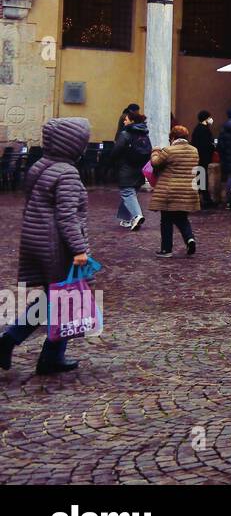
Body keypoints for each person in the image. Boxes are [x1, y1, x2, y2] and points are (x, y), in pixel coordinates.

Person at [1, 117, 93, 376]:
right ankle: (49, 357)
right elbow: (67, 216)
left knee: (52, 298)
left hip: (36, 239)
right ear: (73, 143)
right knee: (64, 299)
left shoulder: (39, 166)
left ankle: (9, 340)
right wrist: (79, 249)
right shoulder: (67, 173)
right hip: (56, 245)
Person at [149, 125, 201, 258]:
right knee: (182, 218)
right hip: (187, 190)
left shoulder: (169, 150)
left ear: (173, 137)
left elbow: (155, 163)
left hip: (170, 190)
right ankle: (190, 239)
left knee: (166, 219)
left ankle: (166, 249)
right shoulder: (194, 151)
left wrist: (155, 151)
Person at [110, 110, 150, 231]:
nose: (124, 121)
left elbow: (116, 151)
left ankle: (137, 215)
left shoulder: (125, 134)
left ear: (132, 121)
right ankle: (126, 220)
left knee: (127, 192)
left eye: (126, 119)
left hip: (126, 168)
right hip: (139, 169)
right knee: (130, 194)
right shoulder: (144, 134)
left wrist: (112, 161)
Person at [193, 110, 216, 208]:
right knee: (202, 176)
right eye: (209, 117)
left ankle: (203, 198)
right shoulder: (203, 129)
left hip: (201, 156)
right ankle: (205, 199)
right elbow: (206, 144)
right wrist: (213, 147)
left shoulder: (199, 128)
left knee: (201, 176)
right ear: (205, 119)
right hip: (203, 156)